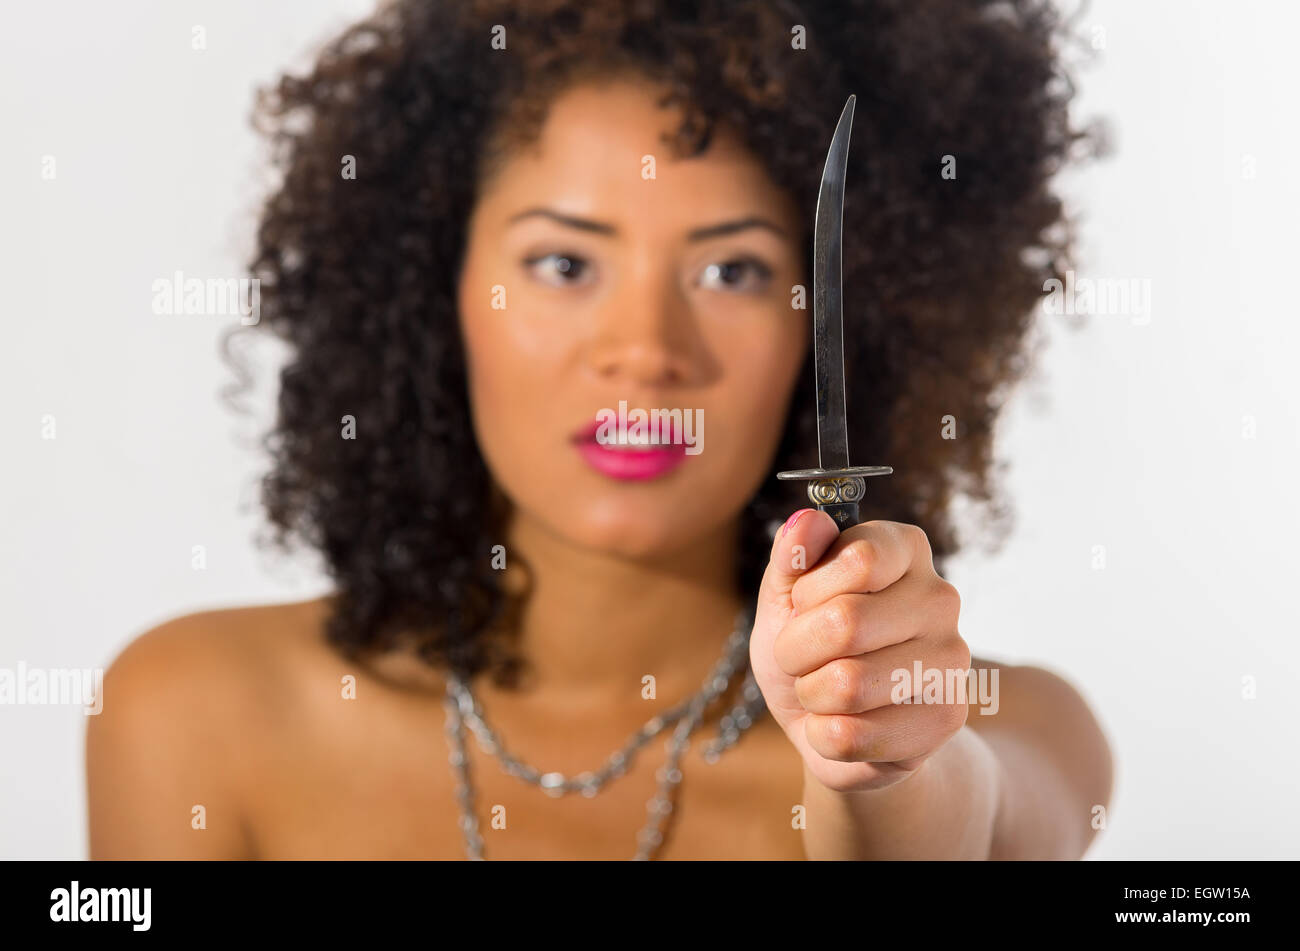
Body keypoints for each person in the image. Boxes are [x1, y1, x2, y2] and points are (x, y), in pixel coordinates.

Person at [87, 0, 1112, 860]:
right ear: (428, 287)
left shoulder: (1004, 721)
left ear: (843, 320)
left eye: (732, 271)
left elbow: (972, 818)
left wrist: (880, 764)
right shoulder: (196, 715)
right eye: (564, 264)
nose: (644, 349)